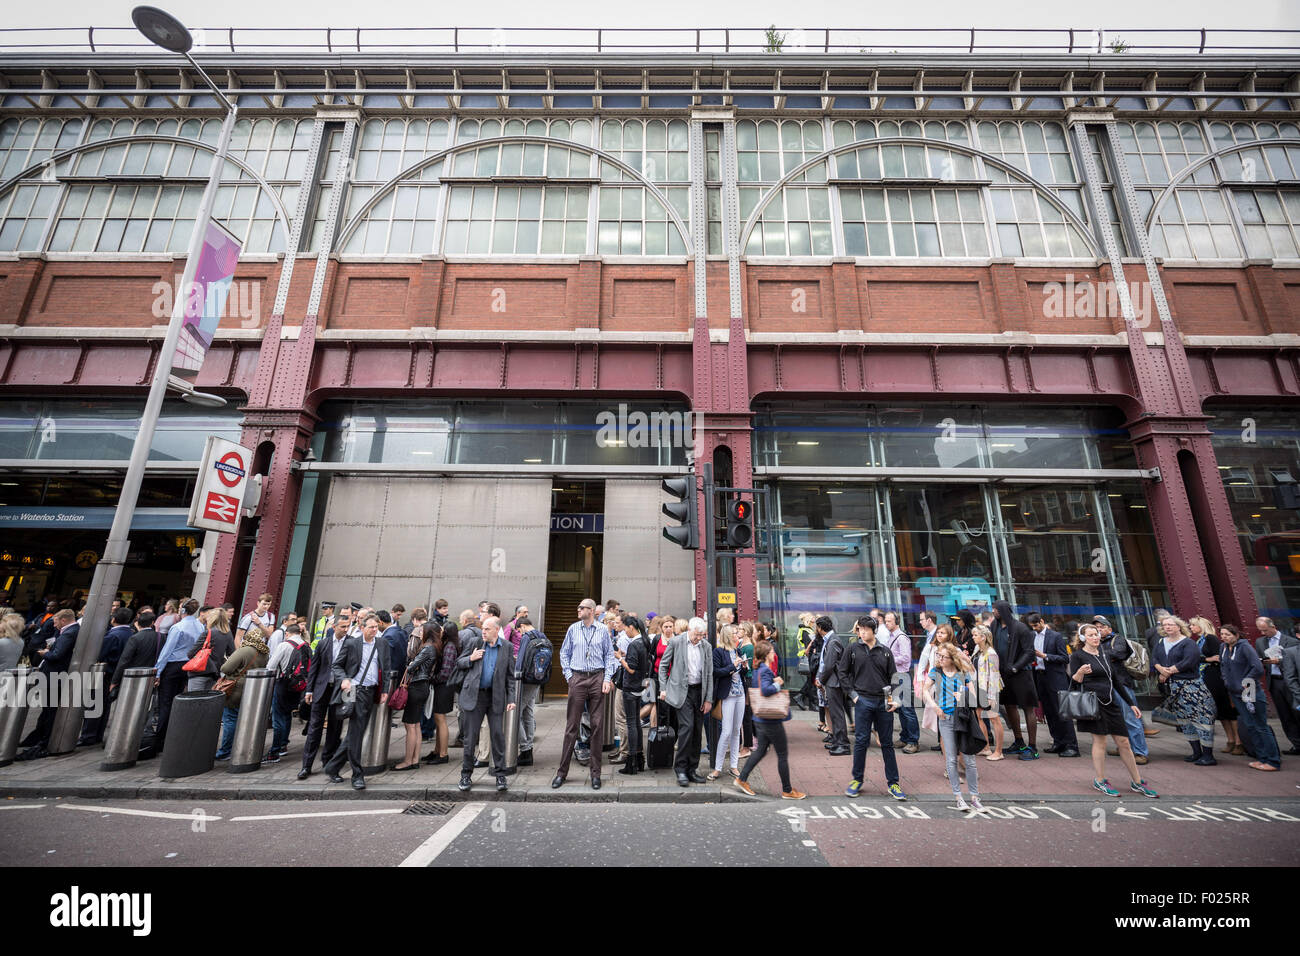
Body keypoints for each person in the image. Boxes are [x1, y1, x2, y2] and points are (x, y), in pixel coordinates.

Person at [1068, 623, 1158, 798]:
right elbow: (1073, 682)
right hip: (1093, 702)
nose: (1096, 636)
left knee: (1124, 742)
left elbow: (1115, 681)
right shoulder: (1078, 656)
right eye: (1092, 634)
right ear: (1083, 638)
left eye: (1097, 634)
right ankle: (1100, 780)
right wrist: (1079, 672)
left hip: (1111, 702)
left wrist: (1131, 703)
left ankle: (1137, 781)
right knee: (1100, 741)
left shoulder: (1104, 654)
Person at [838, 617, 907, 801]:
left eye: (866, 630)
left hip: (883, 702)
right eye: (860, 629)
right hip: (863, 701)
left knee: (887, 743)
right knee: (861, 742)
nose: (863, 633)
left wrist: (894, 700)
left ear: (874, 631)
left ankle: (893, 783)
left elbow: (893, 677)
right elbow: (842, 672)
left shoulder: (885, 652)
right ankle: (856, 780)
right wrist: (853, 695)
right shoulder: (852, 649)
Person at [553, 598, 616, 790]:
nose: (578, 610)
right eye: (578, 607)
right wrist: (569, 676)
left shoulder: (602, 630)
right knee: (572, 727)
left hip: (597, 677)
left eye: (581, 607)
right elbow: (564, 653)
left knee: (597, 726)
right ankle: (561, 773)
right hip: (578, 678)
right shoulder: (573, 629)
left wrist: (607, 679)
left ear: (590, 610)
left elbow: (609, 656)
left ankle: (595, 774)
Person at [324, 613, 388, 790]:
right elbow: (336, 665)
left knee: (355, 732)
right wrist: (344, 679)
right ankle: (357, 775)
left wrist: (384, 691)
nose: (374, 630)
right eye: (371, 627)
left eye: (376, 627)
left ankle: (332, 766)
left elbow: (387, 668)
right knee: (356, 731)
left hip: (371, 691)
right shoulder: (352, 643)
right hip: (353, 690)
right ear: (362, 628)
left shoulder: (382, 643)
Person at [735, 640, 805, 799]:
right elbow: (766, 691)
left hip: (760, 718)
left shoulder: (758, 669)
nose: (774, 654)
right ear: (767, 655)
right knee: (782, 754)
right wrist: (778, 684)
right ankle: (787, 790)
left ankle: (742, 779)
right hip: (770, 720)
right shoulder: (765, 671)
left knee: (760, 751)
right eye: (772, 652)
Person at [453, 615, 516, 793]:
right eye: (483, 629)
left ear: (497, 630)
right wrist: (471, 658)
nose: (484, 632)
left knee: (497, 736)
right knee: (470, 738)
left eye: (487, 629)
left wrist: (511, 699)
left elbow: (510, 677)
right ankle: (466, 774)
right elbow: (459, 663)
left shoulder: (507, 648)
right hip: (474, 696)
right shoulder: (475, 643)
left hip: (495, 697)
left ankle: (500, 776)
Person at [925, 644, 983, 812]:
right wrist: (934, 706)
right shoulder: (936, 672)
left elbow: (973, 698)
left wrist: (963, 694)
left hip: (963, 719)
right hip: (946, 719)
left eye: (943, 656)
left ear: (952, 659)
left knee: (970, 759)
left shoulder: (962, 673)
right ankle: (958, 797)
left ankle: (974, 797)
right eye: (938, 655)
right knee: (951, 759)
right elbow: (925, 689)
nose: (939, 659)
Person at [1151, 615, 1217, 766]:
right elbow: (1154, 659)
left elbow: (1190, 660)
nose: (1167, 627)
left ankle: (1208, 755)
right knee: (1184, 720)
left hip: (1191, 687)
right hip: (1174, 688)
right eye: (1165, 625)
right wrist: (1161, 670)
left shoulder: (1188, 643)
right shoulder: (1160, 642)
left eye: (1170, 624)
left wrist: (1170, 671)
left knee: (1201, 719)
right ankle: (1196, 752)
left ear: (1179, 626)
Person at [659, 616, 715, 787]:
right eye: (697, 635)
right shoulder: (676, 642)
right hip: (681, 691)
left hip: (699, 691)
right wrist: (663, 688)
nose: (699, 638)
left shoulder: (706, 646)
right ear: (689, 630)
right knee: (687, 727)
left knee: (698, 731)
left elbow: (709, 674)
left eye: (702, 635)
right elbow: (663, 666)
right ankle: (681, 769)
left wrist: (708, 699)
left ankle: (692, 769)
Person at [1219, 624, 1281, 771]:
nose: (1224, 637)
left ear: (1236, 635)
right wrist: (1227, 682)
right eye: (1222, 634)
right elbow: (1223, 666)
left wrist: (1245, 682)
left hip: (1249, 689)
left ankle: (1273, 760)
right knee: (1250, 725)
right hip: (1234, 692)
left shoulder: (1245, 647)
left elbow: (1257, 668)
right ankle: (1261, 757)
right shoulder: (1223, 648)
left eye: (1227, 634)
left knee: (1260, 725)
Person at [298, 605, 350, 779]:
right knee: (314, 728)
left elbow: (353, 670)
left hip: (339, 691)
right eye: (342, 626)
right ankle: (307, 765)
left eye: (347, 626)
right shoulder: (323, 644)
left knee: (335, 730)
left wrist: (350, 696)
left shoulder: (351, 644)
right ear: (334, 628)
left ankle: (329, 764)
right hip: (321, 689)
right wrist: (309, 690)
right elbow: (314, 668)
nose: (345, 629)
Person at [214, 624, 270, 762]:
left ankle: (225, 751)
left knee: (230, 720)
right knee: (243, 720)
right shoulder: (264, 653)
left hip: (234, 689)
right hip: (251, 690)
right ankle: (241, 748)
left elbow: (226, 668)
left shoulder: (245, 650)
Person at [1027, 613, 1080, 757]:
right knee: (1049, 711)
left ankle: (1071, 745)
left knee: (1062, 711)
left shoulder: (1055, 636)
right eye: (1032, 626)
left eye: (1036, 625)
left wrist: (1045, 656)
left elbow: (1064, 658)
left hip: (1055, 677)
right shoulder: (1032, 636)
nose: (1035, 628)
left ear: (1042, 621)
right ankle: (1058, 741)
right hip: (1040, 676)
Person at [153, 598, 203, 749]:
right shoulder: (200, 626)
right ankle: (172, 734)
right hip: (188, 665)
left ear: (182, 610)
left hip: (172, 665)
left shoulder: (178, 627)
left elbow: (167, 650)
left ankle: (160, 739)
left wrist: (157, 671)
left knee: (165, 702)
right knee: (178, 700)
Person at [992, 600, 1039, 758]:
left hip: (1021, 673)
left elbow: (1029, 652)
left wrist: (1015, 667)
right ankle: (1019, 741)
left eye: (996, 609)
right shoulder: (995, 626)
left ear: (1003, 610)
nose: (993, 611)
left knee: (1028, 707)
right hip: (1003, 674)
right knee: (1009, 706)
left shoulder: (1020, 628)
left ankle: (1032, 747)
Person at [1189, 615, 1241, 756]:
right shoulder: (1199, 640)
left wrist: (1205, 659)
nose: (1191, 627)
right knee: (1220, 711)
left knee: (1227, 709)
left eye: (1193, 625)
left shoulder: (1210, 639)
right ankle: (1230, 740)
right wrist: (1206, 659)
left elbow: (1218, 657)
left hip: (1215, 677)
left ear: (1201, 625)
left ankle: (1238, 741)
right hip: (1206, 675)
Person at [394, 623, 440, 771]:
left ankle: (408, 761)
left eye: (422, 630)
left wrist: (412, 662)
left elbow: (411, 666)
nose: (420, 632)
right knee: (416, 725)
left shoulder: (427, 648)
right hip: (422, 686)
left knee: (410, 725)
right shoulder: (433, 647)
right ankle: (414, 759)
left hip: (416, 687)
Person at [264, 622, 309, 762]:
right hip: (299, 685)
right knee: (287, 714)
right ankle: (283, 745)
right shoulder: (307, 646)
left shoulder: (284, 645)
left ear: (288, 634)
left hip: (283, 684)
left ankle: (275, 751)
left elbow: (270, 666)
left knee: (278, 717)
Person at [1255, 616, 1300, 755]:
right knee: (1284, 715)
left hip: (1290, 681)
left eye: (1265, 630)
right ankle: (1297, 744)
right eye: (1260, 631)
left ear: (1273, 626)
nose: (1263, 633)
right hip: (1274, 682)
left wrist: (1279, 662)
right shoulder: (1260, 642)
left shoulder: (1291, 641)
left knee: (1297, 713)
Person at [615, 614, 652, 776]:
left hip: (630, 687)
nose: (624, 632)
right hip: (640, 686)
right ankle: (640, 758)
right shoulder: (644, 642)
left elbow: (631, 668)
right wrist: (625, 656)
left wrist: (620, 659)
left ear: (631, 627)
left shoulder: (634, 645)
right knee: (636, 722)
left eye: (625, 628)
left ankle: (631, 763)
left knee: (631, 723)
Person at [709, 624, 746, 780]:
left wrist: (744, 667)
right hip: (727, 695)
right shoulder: (719, 652)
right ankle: (717, 768)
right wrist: (733, 666)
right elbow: (716, 672)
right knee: (726, 731)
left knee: (737, 730)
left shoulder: (738, 651)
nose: (737, 635)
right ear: (728, 636)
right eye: (735, 633)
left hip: (740, 694)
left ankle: (733, 766)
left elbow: (742, 673)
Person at [881, 612, 919, 753]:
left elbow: (905, 657)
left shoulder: (901, 637)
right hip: (895, 676)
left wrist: (888, 658)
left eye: (889, 621)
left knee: (907, 709)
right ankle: (905, 737)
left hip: (902, 675)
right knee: (901, 709)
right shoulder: (890, 637)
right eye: (886, 621)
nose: (887, 623)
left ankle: (913, 741)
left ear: (896, 622)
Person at [423, 620, 460, 765]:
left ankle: (443, 754)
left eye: (443, 629)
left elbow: (446, 672)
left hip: (444, 687)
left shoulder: (450, 646)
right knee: (439, 721)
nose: (441, 631)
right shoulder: (449, 645)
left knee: (441, 720)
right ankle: (437, 750)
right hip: (443, 686)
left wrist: (433, 679)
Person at [513, 616, 545, 766]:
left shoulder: (527, 636)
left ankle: (525, 749)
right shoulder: (542, 635)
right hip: (537, 679)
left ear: (523, 626)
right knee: (528, 713)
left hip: (525, 680)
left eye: (518, 630)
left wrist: (516, 674)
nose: (519, 634)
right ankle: (529, 748)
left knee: (515, 713)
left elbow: (520, 659)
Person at [815, 615, 850, 755]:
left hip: (834, 683)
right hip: (832, 682)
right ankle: (837, 741)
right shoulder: (829, 639)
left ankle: (843, 744)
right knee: (835, 714)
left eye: (816, 627)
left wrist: (821, 680)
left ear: (820, 628)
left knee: (837, 714)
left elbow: (829, 664)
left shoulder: (833, 640)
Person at [970, 624, 1004, 759]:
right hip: (979, 686)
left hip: (990, 689)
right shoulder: (977, 649)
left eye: (975, 635)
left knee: (994, 718)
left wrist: (991, 696)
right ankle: (986, 747)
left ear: (983, 637)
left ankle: (999, 751)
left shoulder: (991, 653)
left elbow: (994, 676)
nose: (973, 637)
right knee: (979, 716)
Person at [109, 610, 160, 695]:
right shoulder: (160, 636)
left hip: (133, 676)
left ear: (138, 623)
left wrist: (115, 681)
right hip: (151, 675)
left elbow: (124, 660)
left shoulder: (135, 638)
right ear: (152, 623)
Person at [185, 606, 234, 693]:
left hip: (199, 672)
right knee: (206, 702)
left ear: (212, 618)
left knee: (193, 702)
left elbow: (190, 654)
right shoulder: (228, 634)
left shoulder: (208, 632)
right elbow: (232, 653)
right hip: (215, 674)